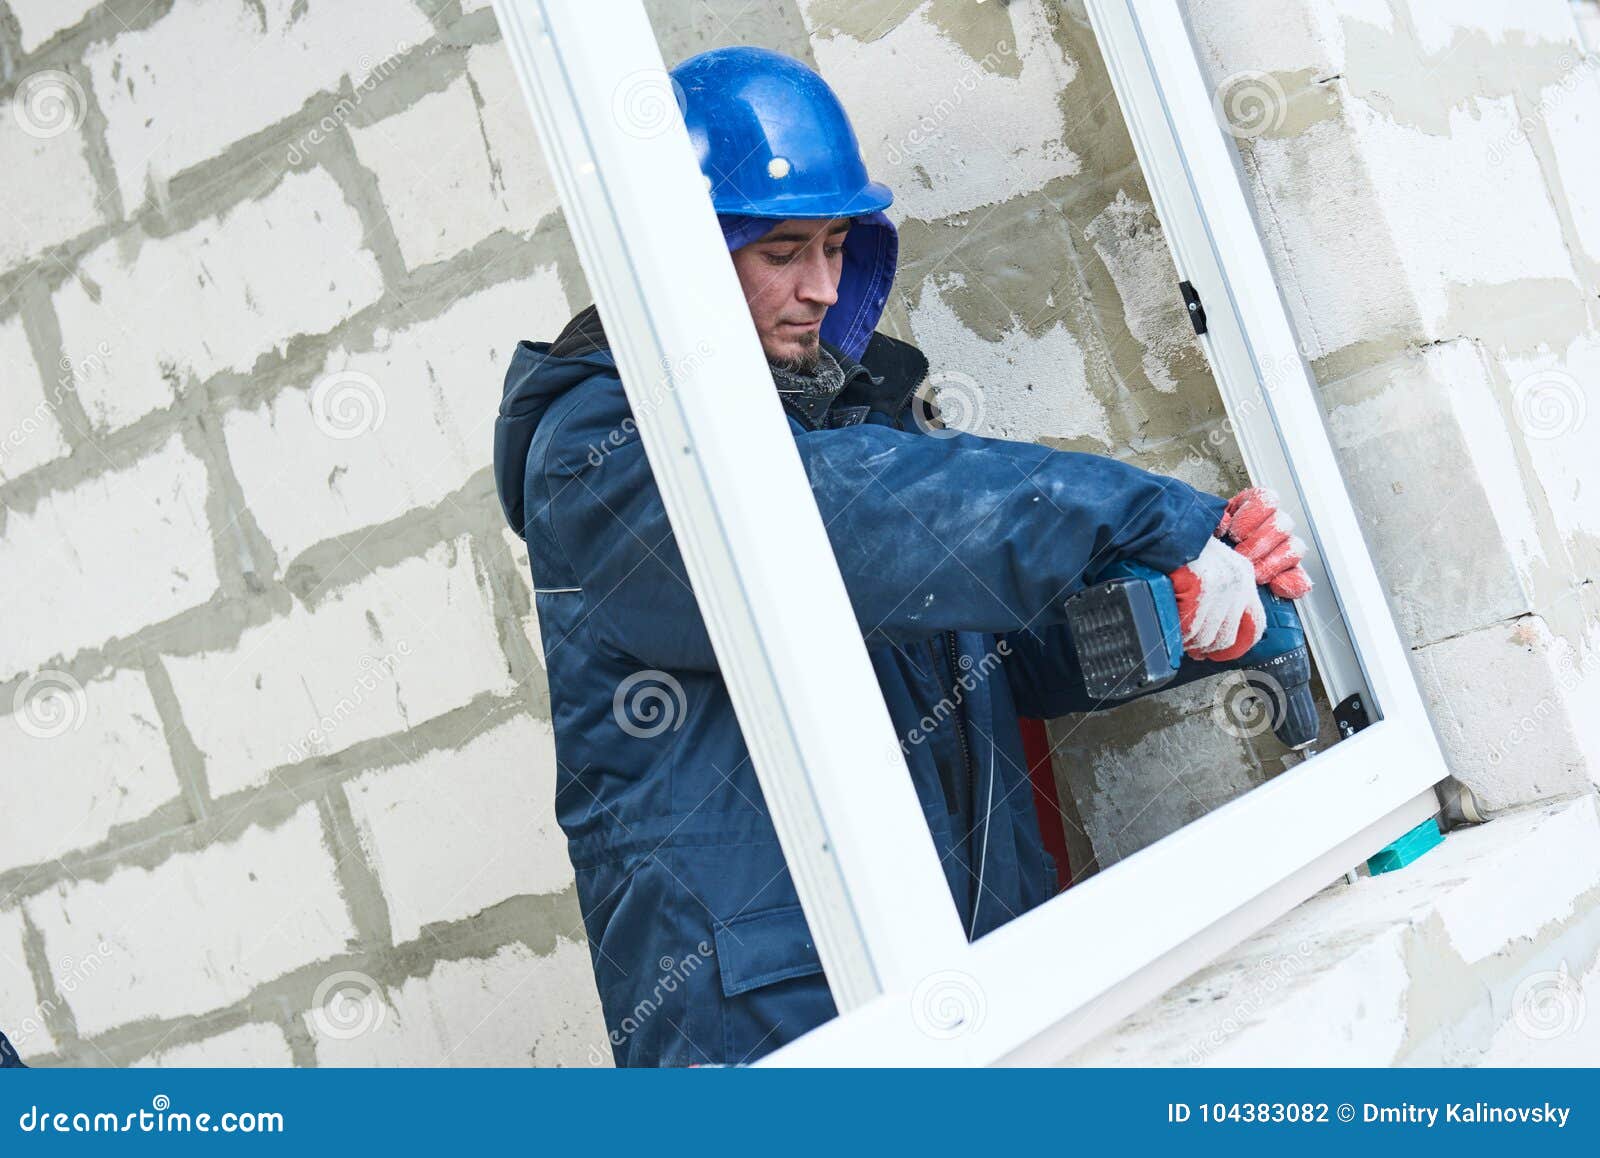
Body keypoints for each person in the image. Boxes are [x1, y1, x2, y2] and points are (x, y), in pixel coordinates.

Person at [493, 46, 1311, 1067]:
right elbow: (835, 527)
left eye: (837, 246)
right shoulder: (601, 452)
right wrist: (1144, 512)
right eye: (782, 251)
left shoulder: (837, 429)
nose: (820, 289)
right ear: (679, 256)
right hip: (780, 1030)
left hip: (956, 996)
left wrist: (1184, 611)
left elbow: (990, 661)